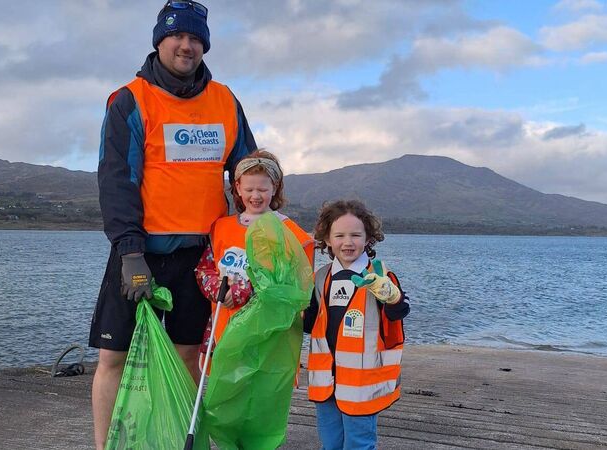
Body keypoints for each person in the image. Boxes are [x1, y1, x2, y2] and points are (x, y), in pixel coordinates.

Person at [87, 2, 256, 448]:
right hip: (139, 254)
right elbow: (117, 180)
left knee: (188, 354)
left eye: (196, 39)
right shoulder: (130, 100)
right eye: (177, 37)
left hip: (200, 257)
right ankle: (105, 445)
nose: (187, 46)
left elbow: (247, 174)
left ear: (205, 46)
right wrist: (129, 251)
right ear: (159, 41)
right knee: (114, 357)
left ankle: (184, 440)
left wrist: (254, 237)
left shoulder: (224, 100)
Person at [303, 200, 410, 450]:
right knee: (330, 444)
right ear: (327, 240)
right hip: (325, 380)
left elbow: (399, 312)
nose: (347, 242)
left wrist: (392, 296)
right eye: (339, 235)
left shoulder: (381, 274)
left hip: (362, 384)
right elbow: (310, 324)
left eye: (355, 235)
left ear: (368, 238)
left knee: (358, 444)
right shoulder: (320, 278)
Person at [196, 149, 314, 366]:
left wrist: (243, 290)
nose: (255, 196)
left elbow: (293, 284)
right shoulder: (221, 228)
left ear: (275, 187)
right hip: (225, 323)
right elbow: (205, 269)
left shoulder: (289, 232)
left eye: (262, 189)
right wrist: (217, 289)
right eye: (249, 189)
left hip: (266, 331)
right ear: (238, 188)